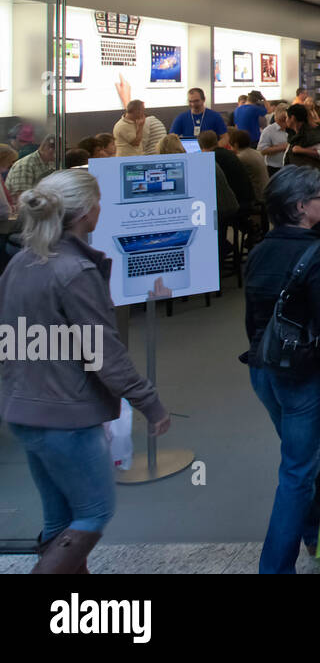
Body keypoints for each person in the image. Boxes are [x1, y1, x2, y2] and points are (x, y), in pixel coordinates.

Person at [0, 169, 170, 573]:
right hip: (67, 416)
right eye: (97, 202)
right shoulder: (76, 272)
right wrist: (150, 403)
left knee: (59, 521)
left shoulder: (21, 263)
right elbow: (104, 352)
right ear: (85, 213)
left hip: (23, 410)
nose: (100, 209)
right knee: (94, 513)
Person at [240, 164, 320, 574]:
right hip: (304, 378)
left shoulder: (258, 251)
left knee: (301, 460)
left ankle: (314, 533)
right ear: (301, 206)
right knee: (296, 473)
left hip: (264, 371)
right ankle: (274, 568)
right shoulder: (318, 253)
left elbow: (254, 320)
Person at [6, 135, 58, 199]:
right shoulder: (25, 165)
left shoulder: (50, 162)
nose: (61, 155)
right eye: (59, 151)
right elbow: (21, 197)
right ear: (48, 148)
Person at [230, 128, 270, 206]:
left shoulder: (241, 157)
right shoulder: (256, 153)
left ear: (235, 145)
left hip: (257, 196)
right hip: (266, 191)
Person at [285, 103, 320, 170]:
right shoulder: (295, 134)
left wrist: (302, 150)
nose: (286, 120)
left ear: (292, 118)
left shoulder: (312, 134)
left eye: (287, 117)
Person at [258, 104, 291, 173]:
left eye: (286, 119)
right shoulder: (268, 131)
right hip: (274, 168)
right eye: (282, 120)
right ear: (276, 118)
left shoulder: (294, 129)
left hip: (290, 167)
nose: (285, 123)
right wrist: (283, 147)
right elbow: (262, 150)